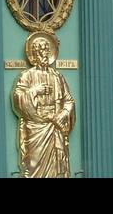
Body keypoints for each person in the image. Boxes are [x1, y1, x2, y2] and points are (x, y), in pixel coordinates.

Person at [11, 32, 75, 178]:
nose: (44, 54)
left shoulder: (57, 76)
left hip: (55, 126)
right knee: (34, 165)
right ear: (34, 54)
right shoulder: (27, 75)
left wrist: (63, 115)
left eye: (47, 50)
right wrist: (35, 91)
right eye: (41, 50)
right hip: (36, 128)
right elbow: (18, 98)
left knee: (57, 165)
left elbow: (69, 100)